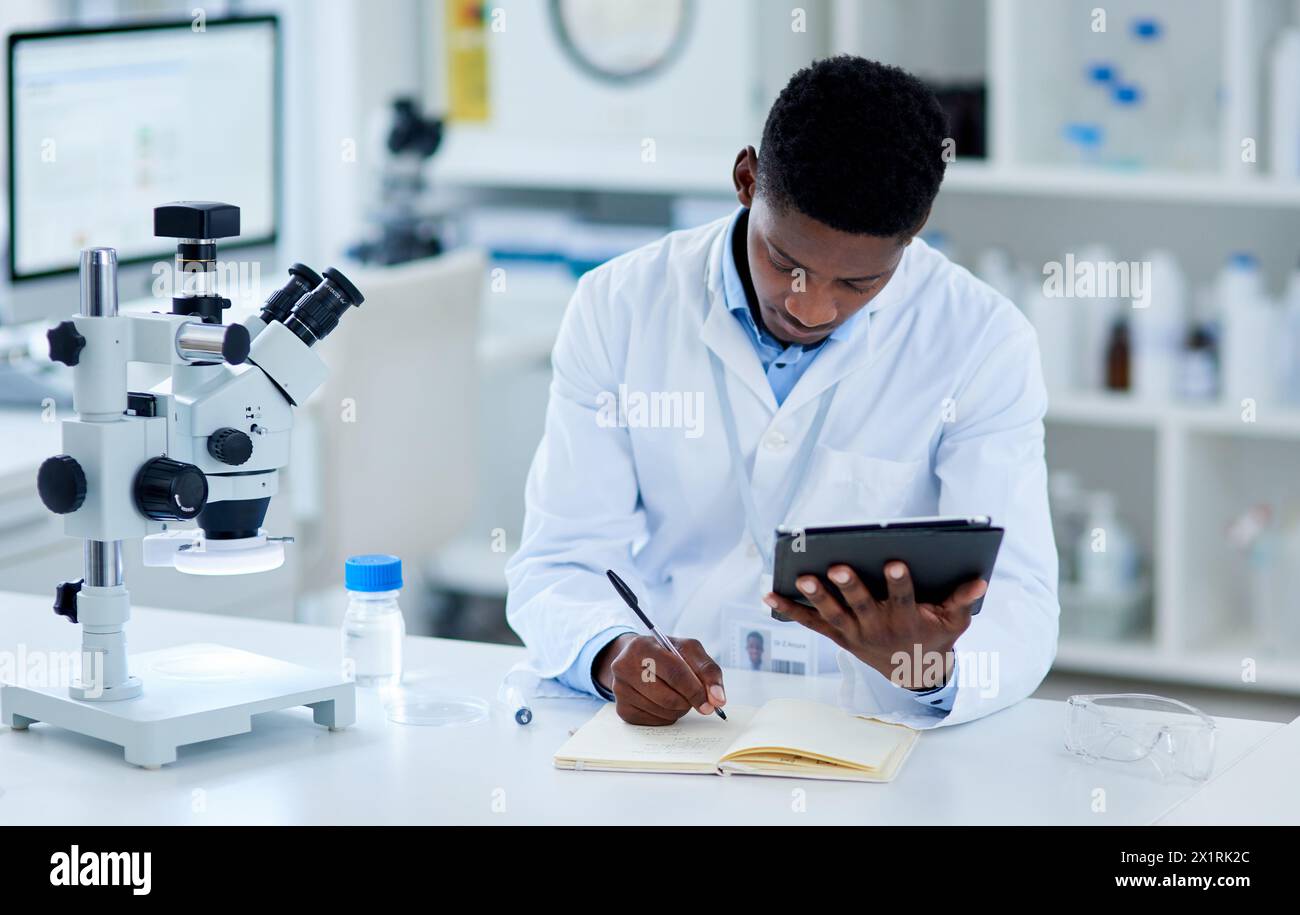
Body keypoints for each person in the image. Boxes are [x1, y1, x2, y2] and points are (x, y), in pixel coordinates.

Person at [506, 56, 1059, 729]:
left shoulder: (983, 341)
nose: (813, 307)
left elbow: (1022, 603)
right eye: (786, 262)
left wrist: (929, 666)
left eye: (858, 285)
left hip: (869, 727)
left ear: (911, 237)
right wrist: (610, 649)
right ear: (746, 180)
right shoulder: (617, 305)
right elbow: (559, 559)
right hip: (677, 727)